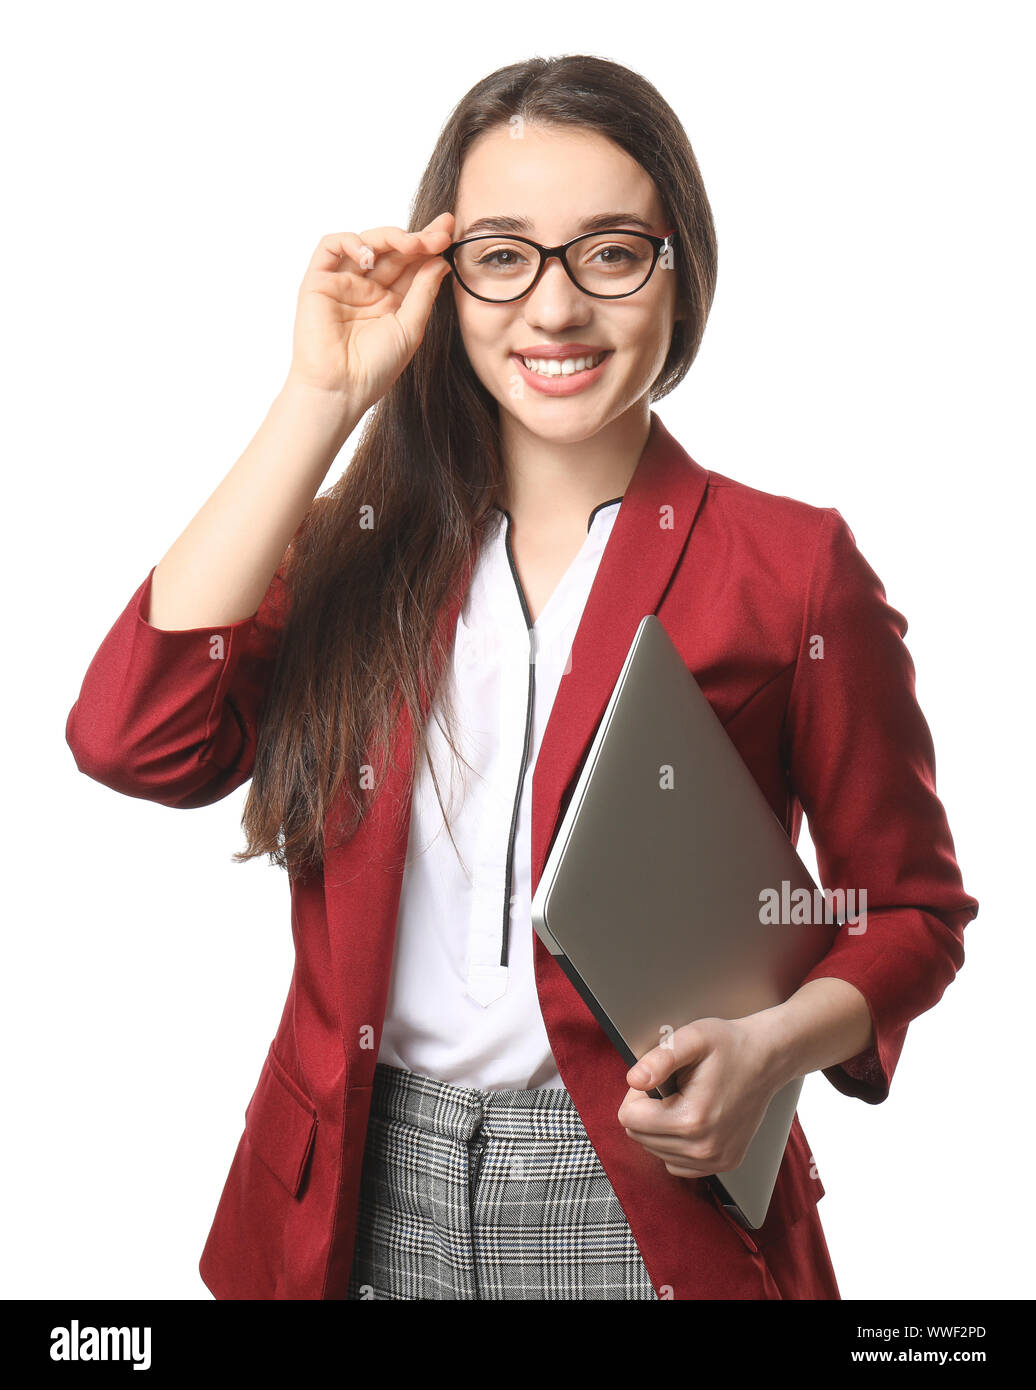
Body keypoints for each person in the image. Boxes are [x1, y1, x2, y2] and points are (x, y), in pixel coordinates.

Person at [65, 54, 979, 1301]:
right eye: (501, 256)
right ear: (447, 281)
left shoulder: (792, 567)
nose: (552, 310)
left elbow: (905, 911)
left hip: (641, 1191)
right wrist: (319, 397)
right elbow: (132, 736)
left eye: (609, 252)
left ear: (679, 269)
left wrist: (768, 1049)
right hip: (356, 1186)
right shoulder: (352, 546)